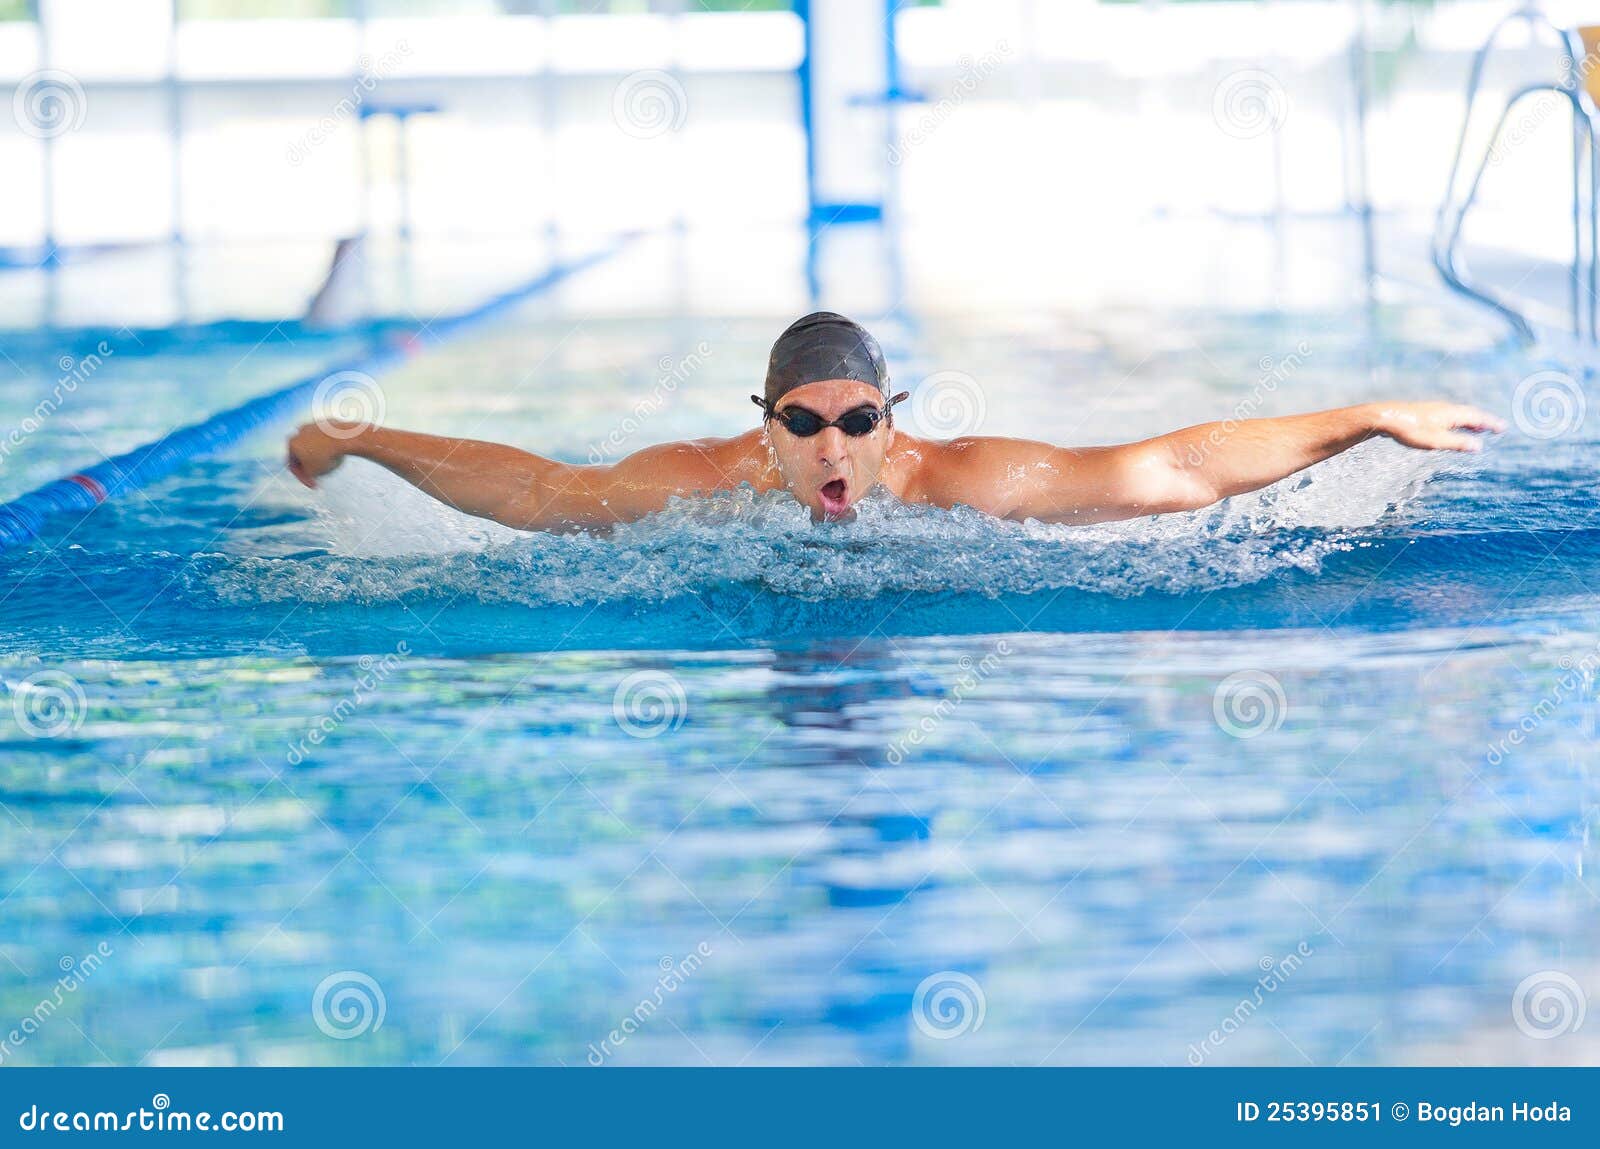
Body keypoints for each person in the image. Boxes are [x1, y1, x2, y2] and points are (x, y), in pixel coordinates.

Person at [286, 311, 1505, 530]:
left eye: (856, 419)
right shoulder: (707, 482)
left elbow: (1168, 466)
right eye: (803, 423)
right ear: (761, 423)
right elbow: (541, 491)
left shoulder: (958, 480)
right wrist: (358, 437)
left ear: (892, 417)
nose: (831, 447)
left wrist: (1367, 414)